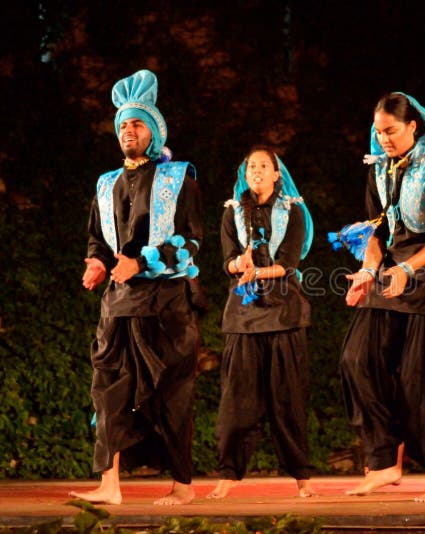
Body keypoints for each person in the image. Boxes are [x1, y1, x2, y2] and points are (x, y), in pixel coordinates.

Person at [71, 69, 202, 505]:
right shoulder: (106, 183)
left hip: (165, 306)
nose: (129, 130)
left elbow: (190, 241)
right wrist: (96, 262)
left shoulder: (180, 177)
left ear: (155, 130)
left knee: (173, 394)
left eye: (138, 123)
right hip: (119, 305)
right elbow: (97, 237)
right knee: (106, 391)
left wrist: (141, 261)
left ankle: (182, 486)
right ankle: (109, 485)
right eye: (123, 124)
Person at [337, 92, 425, 502]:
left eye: (391, 131)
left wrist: (408, 269)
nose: (383, 140)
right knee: (357, 359)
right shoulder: (378, 166)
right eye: (378, 132)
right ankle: (383, 462)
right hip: (394, 270)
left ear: (413, 126)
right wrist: (366, 272)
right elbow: (375, 232)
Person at [207, 147, 316, 499]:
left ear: (276, 174)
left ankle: (302, 478)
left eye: (263, 165)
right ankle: (227, 474)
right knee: (237, 400)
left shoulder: (293, 212)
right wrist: (239, 266)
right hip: (244, 316)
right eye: (251, 166)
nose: (256, 171)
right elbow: (226, 261)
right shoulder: (231, 213)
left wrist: (259, 270)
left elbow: (289, 262)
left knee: (289, 400)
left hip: (285, 314)